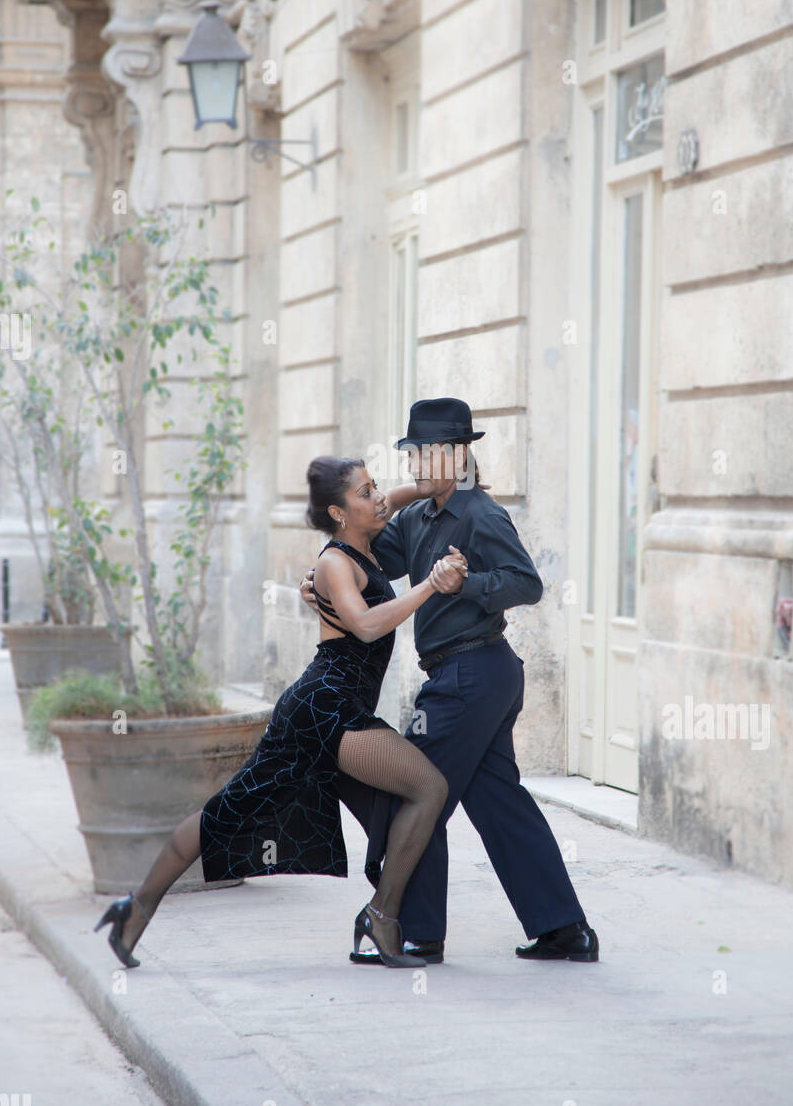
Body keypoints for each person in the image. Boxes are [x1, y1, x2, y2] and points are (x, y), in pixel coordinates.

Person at [94, 455, 467, 970]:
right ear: (338, 513)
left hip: (336, 704)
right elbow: (363, 626)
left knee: (233, 808)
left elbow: (397, 497)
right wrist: (428, 584)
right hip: (324, 707)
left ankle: (135, 908)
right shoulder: (336, 562)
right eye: (365, 492)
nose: (378, 496)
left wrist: (427, 485)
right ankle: (380, 916)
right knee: (425, 788)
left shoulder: (364, 542)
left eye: (375, 486)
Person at [300, 397, 599, 964]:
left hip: (473, 673)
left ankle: (415, 930)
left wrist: (465, 586)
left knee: (418, 788)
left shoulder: (480, 514)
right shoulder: (418, 517)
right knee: (498, 803)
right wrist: (321, 578)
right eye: (411, 453)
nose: (414, 464)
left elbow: (526, 584)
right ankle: (563, 928)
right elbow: (367, 558)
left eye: (425, 454)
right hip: (469, 676)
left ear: (458, 455)